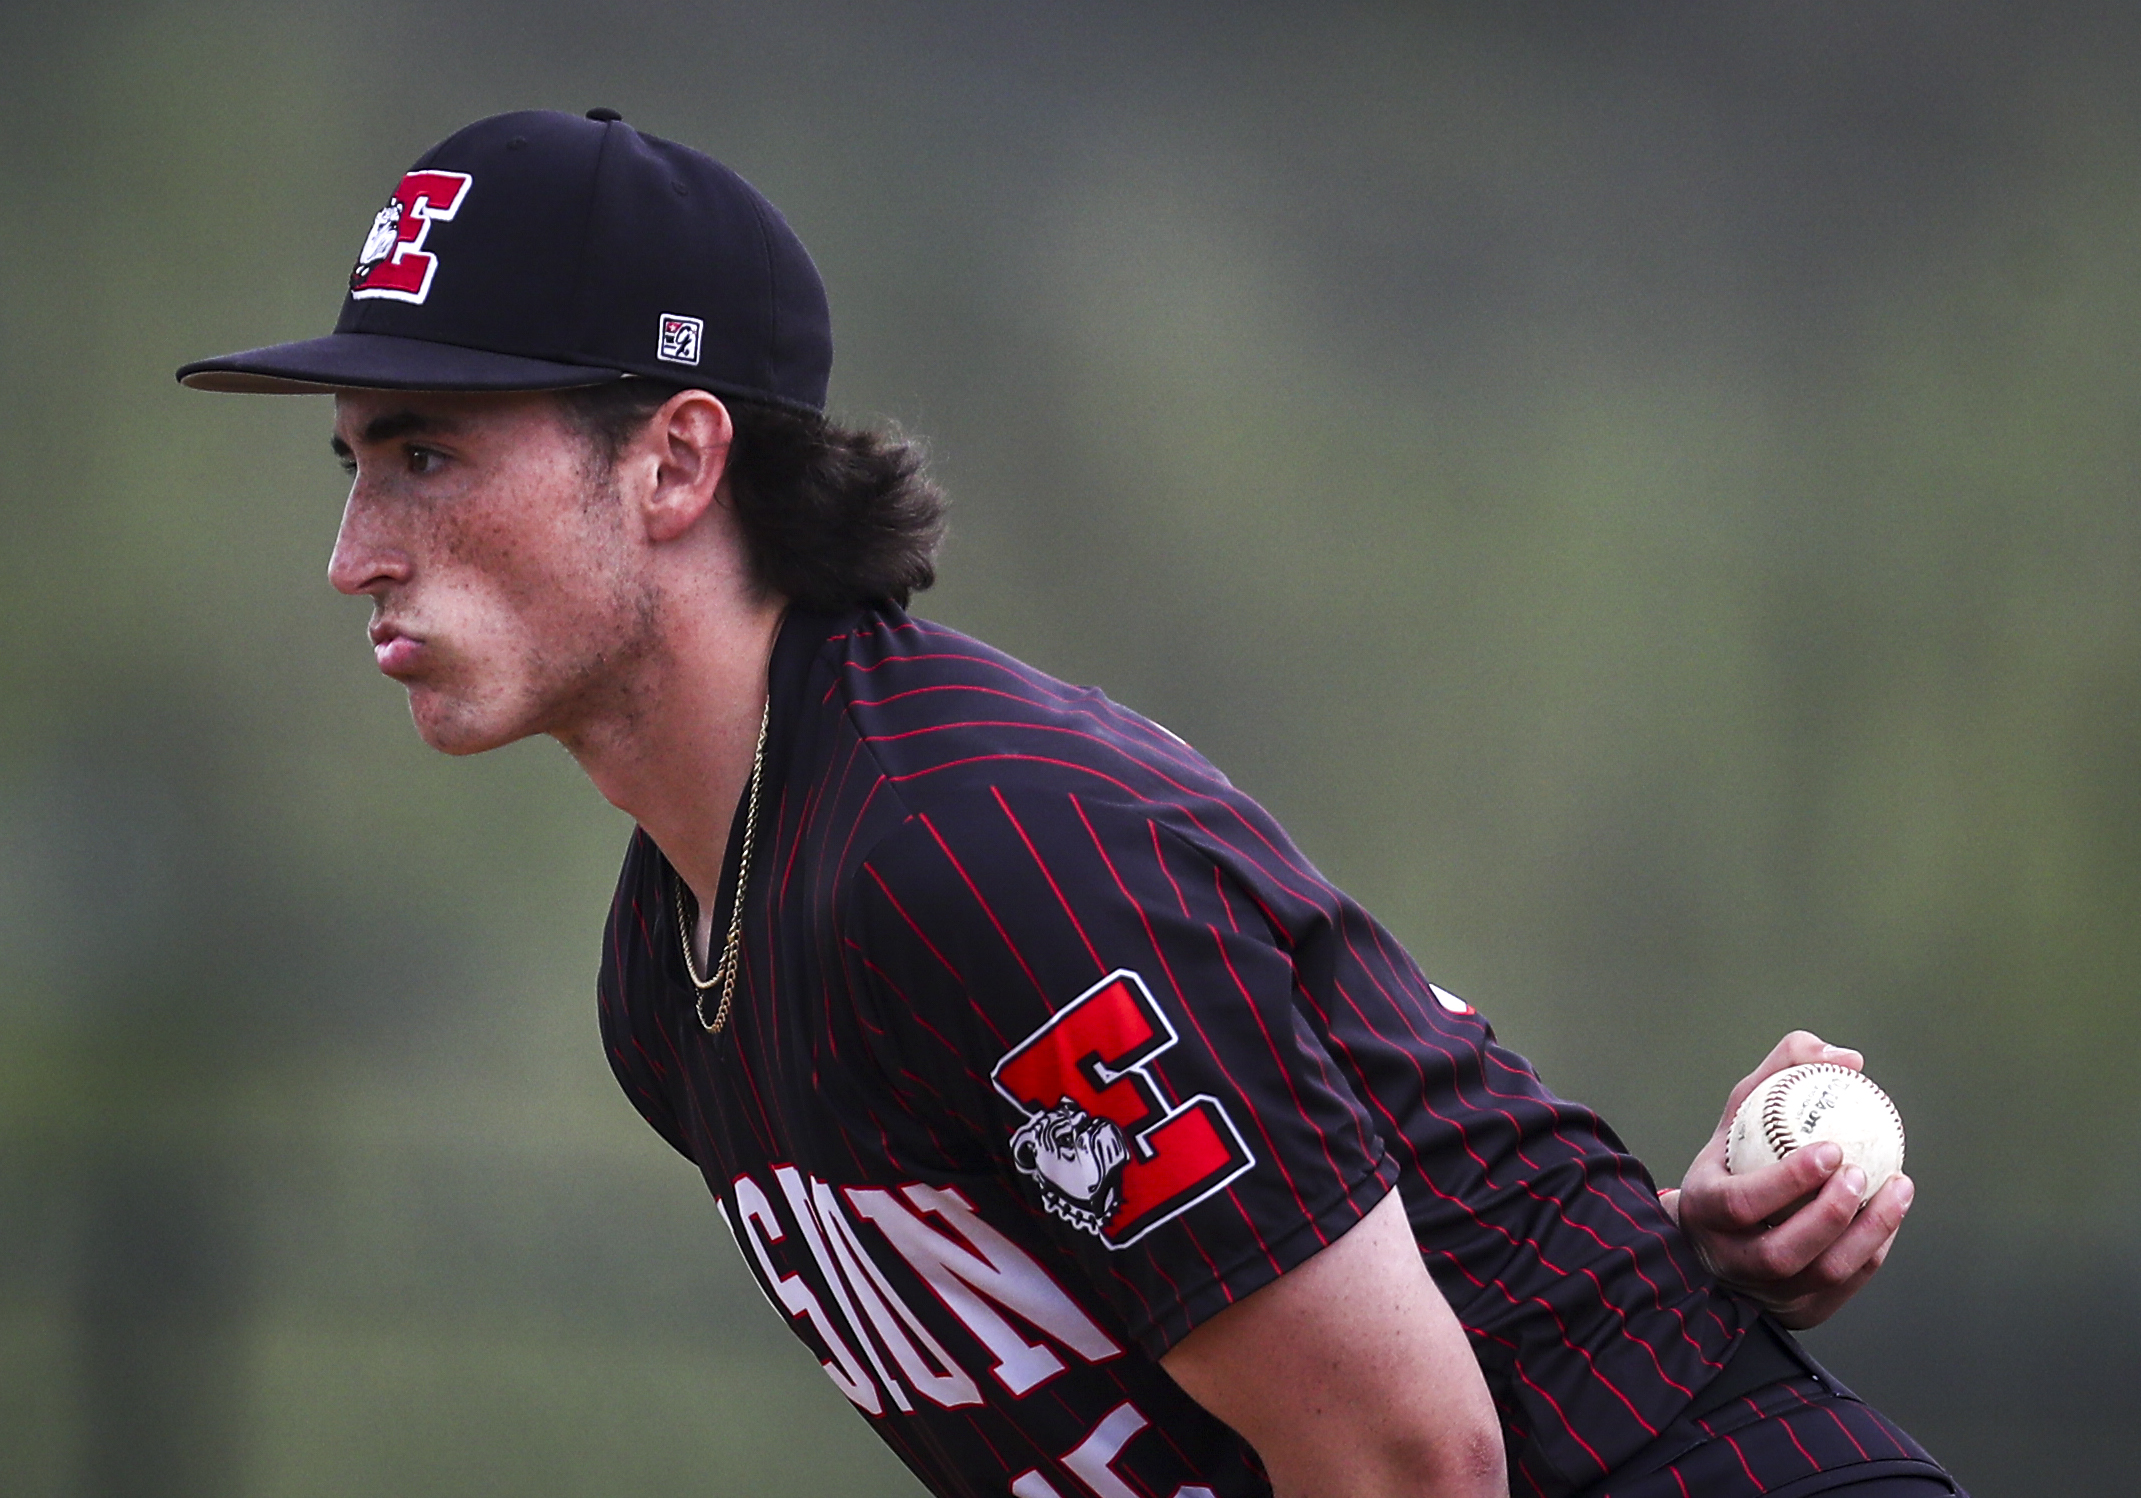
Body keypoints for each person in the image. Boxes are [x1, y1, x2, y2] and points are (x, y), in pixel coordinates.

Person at [178, 109, 1963, 1498]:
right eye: (355, 465)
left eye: (427, 451)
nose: (354, 555)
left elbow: (1413, 1460)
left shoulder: (955, 845)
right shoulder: (674, 967)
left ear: (675, 459)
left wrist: (1617, 1300)